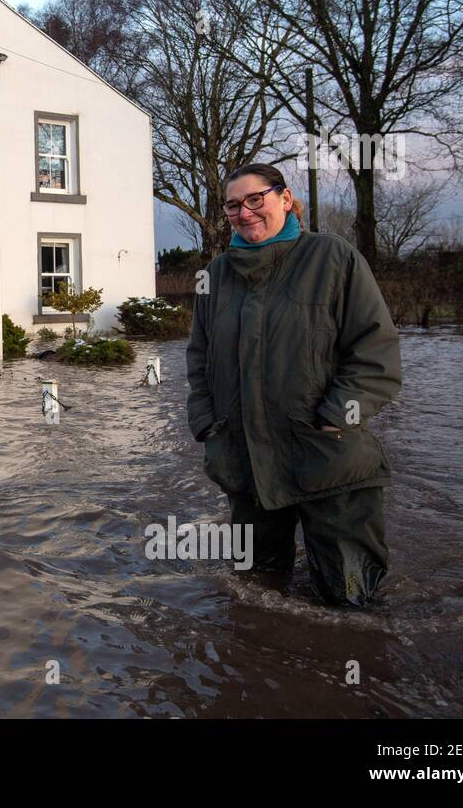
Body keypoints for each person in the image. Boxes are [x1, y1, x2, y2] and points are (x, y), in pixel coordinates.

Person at [185, 163, 402, 607]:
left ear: (284, 199)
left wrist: (338, 415)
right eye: (232, 205)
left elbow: (374, 349)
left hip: (328, 459)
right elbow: (199, 358)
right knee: (255, 594)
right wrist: (207, 423)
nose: (244, 213)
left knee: (351, 602)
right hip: (244, 464)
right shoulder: (215, 275)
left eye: (255, 199)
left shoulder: (333, 258)